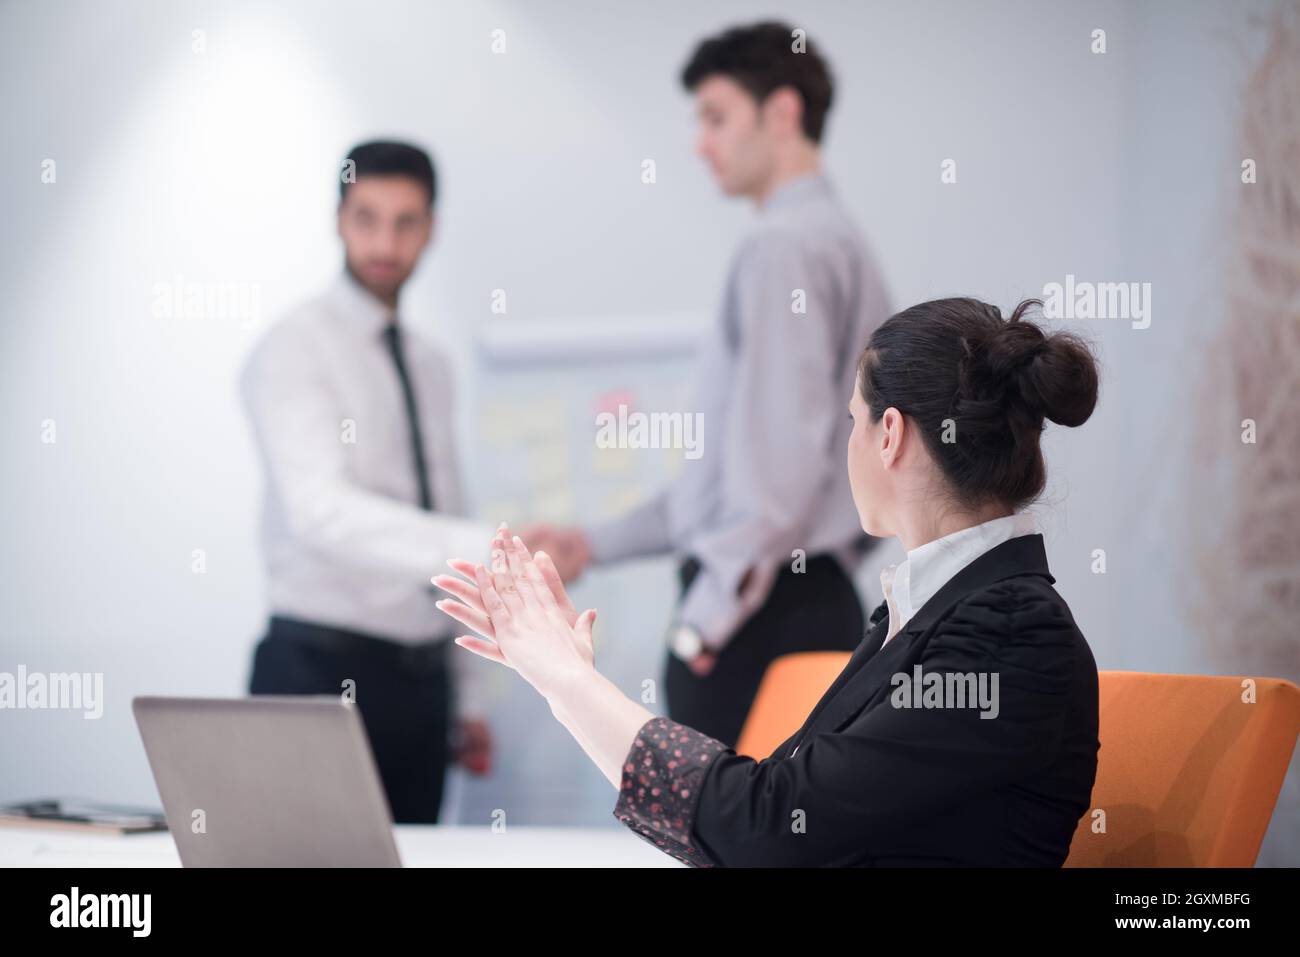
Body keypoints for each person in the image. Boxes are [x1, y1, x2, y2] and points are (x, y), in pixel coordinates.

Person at [434, 296, 1102, 866]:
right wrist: (567, 685)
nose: (848, 443)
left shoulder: (1007, 633)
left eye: (852, 421)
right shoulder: (939, 611)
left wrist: (570, 683)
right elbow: (767, 818)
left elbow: (769, 827)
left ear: (889, 433)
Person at [526, 21, 892, 748]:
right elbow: (744, 479)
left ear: (783, 112)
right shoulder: (841, 241)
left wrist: (703, 622)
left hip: (754, 623)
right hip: (803, 599)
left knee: (727, 845)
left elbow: (775, 483)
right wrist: (592, 542)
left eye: (716, 116)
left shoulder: (782, 247)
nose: (700, 142)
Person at [240, 140, 498, 823]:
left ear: (431, 228)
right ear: (338, 219)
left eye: (406, 221)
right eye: (368, 217)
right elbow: (319, 511)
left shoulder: (432, 365)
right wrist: (491, 544)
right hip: (317, 673)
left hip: (421, 686)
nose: (386, 241)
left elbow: (442, 510)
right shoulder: (294, 346)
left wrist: (468, 692)